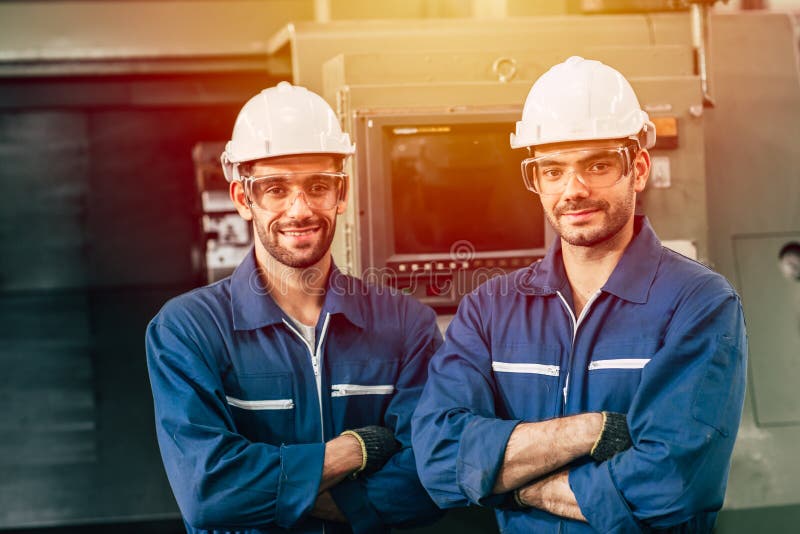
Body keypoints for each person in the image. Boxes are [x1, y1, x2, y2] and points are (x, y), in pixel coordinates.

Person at [411, 56, 748, 533]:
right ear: (536, 180)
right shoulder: (490, 309)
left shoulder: (699, 304)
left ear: (639, 168)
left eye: (598, 165)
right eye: (552, 171)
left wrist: (518, 486)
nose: (574, 189)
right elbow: (438, 460)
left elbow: (672, 483)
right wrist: (590, 433)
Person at [146, 82, 442, 534]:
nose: (299, 209)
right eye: (275, 189)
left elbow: (431, 478)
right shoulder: (187, 330)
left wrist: (276, 491)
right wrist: (356, 451)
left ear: (341, 194)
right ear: (244, 199)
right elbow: (209, 493)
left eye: (318, 186)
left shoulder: (405, 324)